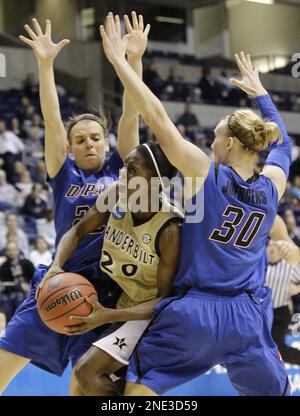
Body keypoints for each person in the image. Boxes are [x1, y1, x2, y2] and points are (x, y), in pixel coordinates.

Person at [100, 14, 291, 396]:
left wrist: (120, 62)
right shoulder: (272, 187)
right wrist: (260, 94)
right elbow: (282, 144)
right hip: (247, 316)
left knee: (139, 393)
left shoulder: (209, 175)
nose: (211, 142)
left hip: (195, 311)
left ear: (232, 144)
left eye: (216, 137)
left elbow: (157, 117)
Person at [0, 15, 147, 396]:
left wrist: (133, 61)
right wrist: (45, 65)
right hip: (57, 282)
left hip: (106, 294)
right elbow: (51, 119)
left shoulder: (123, 168)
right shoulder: (63, 174)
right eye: (79, 139)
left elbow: (131, 112)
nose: (88, 144)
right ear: (70, 147)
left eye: (96, 137)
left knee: (86, 386)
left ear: (107, 141)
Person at [41, 139, 182, 396]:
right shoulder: (116, 194)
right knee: (80, 387)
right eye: (125, 168)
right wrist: (56, 265)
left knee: (86, 372)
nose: (124, 176)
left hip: (150, 316)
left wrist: (106, 315)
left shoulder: (170, 229)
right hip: (121, 302)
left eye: (133, 172)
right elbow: (77, 231)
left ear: (154, 183)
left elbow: (164, 299)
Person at [266, 240, 300, 365]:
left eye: (276, 247)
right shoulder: (259, 265)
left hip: (280, 311)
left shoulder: (289, 267)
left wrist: (297, 288)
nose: (272, 249)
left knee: (279, 349)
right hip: (259, 312)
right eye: (270, 246)